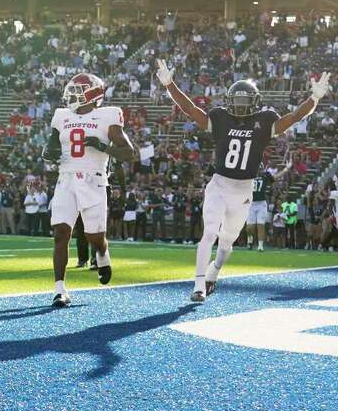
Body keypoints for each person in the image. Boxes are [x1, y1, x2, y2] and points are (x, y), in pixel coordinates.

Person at [156, 60, 330, 301]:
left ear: (255, 102)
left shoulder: (265, 120)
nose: (238, 106)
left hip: (243, 191)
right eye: (235, 101)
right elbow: (189, 109)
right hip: (219, 184)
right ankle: (198, 285)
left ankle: (214, 271)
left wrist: (314, 99)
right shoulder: (219, 117)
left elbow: (293, 118)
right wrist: (169, 85)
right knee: (209, 233)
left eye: (243, 101)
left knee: (227, 242)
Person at [43, 72, 136, 307]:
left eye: (78, 91)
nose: (71, 95)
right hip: (66, 179)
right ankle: (59, 289)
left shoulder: (107, 116)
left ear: (92, 95)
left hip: (94, 181)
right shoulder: (62, 116)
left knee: (94, 237)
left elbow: (129, 153)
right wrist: (49, 153)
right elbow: (51, 147)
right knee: (61, 233)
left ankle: (102, 253)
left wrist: (102, 146)